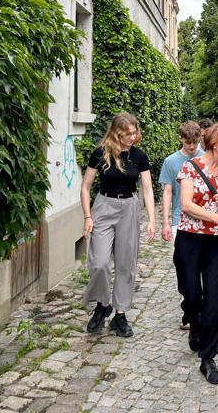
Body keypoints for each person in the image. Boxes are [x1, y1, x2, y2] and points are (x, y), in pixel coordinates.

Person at [81, 113, 157, 338]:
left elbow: (147, 189)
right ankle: (103, 304)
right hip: (104, 207)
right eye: (127, 134)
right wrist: (87, 216)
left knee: (126, 264)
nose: (132, 137)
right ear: (116, 132)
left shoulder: (139, 156)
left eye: (135, 133)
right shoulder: (100, 154)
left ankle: (120, 315)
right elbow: (86, 187)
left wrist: (152, 219)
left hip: (129, 208)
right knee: (99, 262)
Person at [174, 124, 218, 384]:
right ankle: (194, 319)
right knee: (191, 295)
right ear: (215, 143)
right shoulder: (190, 167)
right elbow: (187, 205)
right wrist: (216, 217)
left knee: (215, 296)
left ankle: (208, 357)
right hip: (189, 238)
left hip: (215, 243)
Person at [158, 120, 203, 330]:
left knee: (203, 266)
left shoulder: (205, 158)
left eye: (195, 142)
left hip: (204, 221)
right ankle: (189, 305)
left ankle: (198, 305)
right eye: (189, 143)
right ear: (181, 139)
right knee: (185, 265)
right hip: (180, 220)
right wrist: (166, 221)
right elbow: (167, 192)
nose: (192, 147)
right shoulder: (171, 161)